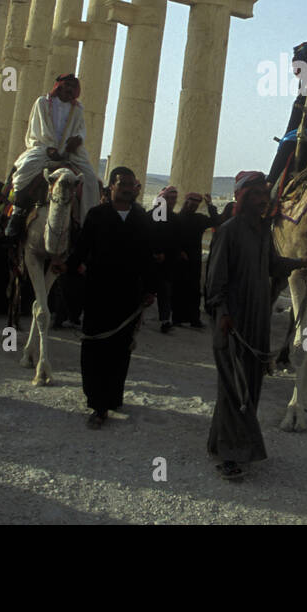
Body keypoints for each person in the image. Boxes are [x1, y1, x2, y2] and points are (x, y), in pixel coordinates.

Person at [205, 171, 307, 480]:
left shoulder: (263, 233)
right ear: (242, 197)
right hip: (232, 322)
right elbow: (215, 282)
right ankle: (231, 457)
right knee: (235, 388)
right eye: (255, 194)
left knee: (249, 385)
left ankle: (220, 443)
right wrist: (224, 314)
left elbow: (273, 265)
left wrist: (302, 263)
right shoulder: (228, 231)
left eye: (264, 194)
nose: (262, 199)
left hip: (257, 321)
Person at [62, 166, 160, 429]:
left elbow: (148, 257)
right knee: (95, 347)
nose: (128, 188)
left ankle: (113, 396)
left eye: (132, 184)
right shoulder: (96, 216)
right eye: (122, 183)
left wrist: (150, 289)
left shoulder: (141, 218)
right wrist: (68, 268)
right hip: (98, 292)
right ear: (111, 188)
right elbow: (81, 250)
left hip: (129, 295)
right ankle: (97, 403)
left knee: (121, 348)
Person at [4, 74, 101, 239]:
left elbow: (80, 130)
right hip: (44, 147)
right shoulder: (43, 102)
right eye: (67, 85)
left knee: (91, 179)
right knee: (25, 168)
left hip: (71, 152)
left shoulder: (77, 109)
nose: (70, 89)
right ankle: (18, 213)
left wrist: (78, 139)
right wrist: (49, 148)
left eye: (73, 86)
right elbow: (37, 128)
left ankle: (87, 226)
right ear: (59, 86)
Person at [174, 191, 219, 328]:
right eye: (190, 203)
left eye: (195, 205)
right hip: (180, 260)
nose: (192, 206)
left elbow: (216, 221)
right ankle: (177, 318)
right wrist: (179, 251)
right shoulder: (176, 219)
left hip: (194, 260)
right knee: (179, 289)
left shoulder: (199, 219)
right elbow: (170, 237)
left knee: (194, 290)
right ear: (185, 202)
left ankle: (194, 319)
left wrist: (210, 205)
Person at [150, 186, 182, 333]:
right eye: (169, 198)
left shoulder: (175, 218)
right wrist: (157, 252)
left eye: (174, 198)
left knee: (165, 292)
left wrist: (167, 255)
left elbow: (175, 241)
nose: (171, 201)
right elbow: (153, 235)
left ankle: (165, 321)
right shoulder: (156, 214)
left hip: (167, 263)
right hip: (153, 260)